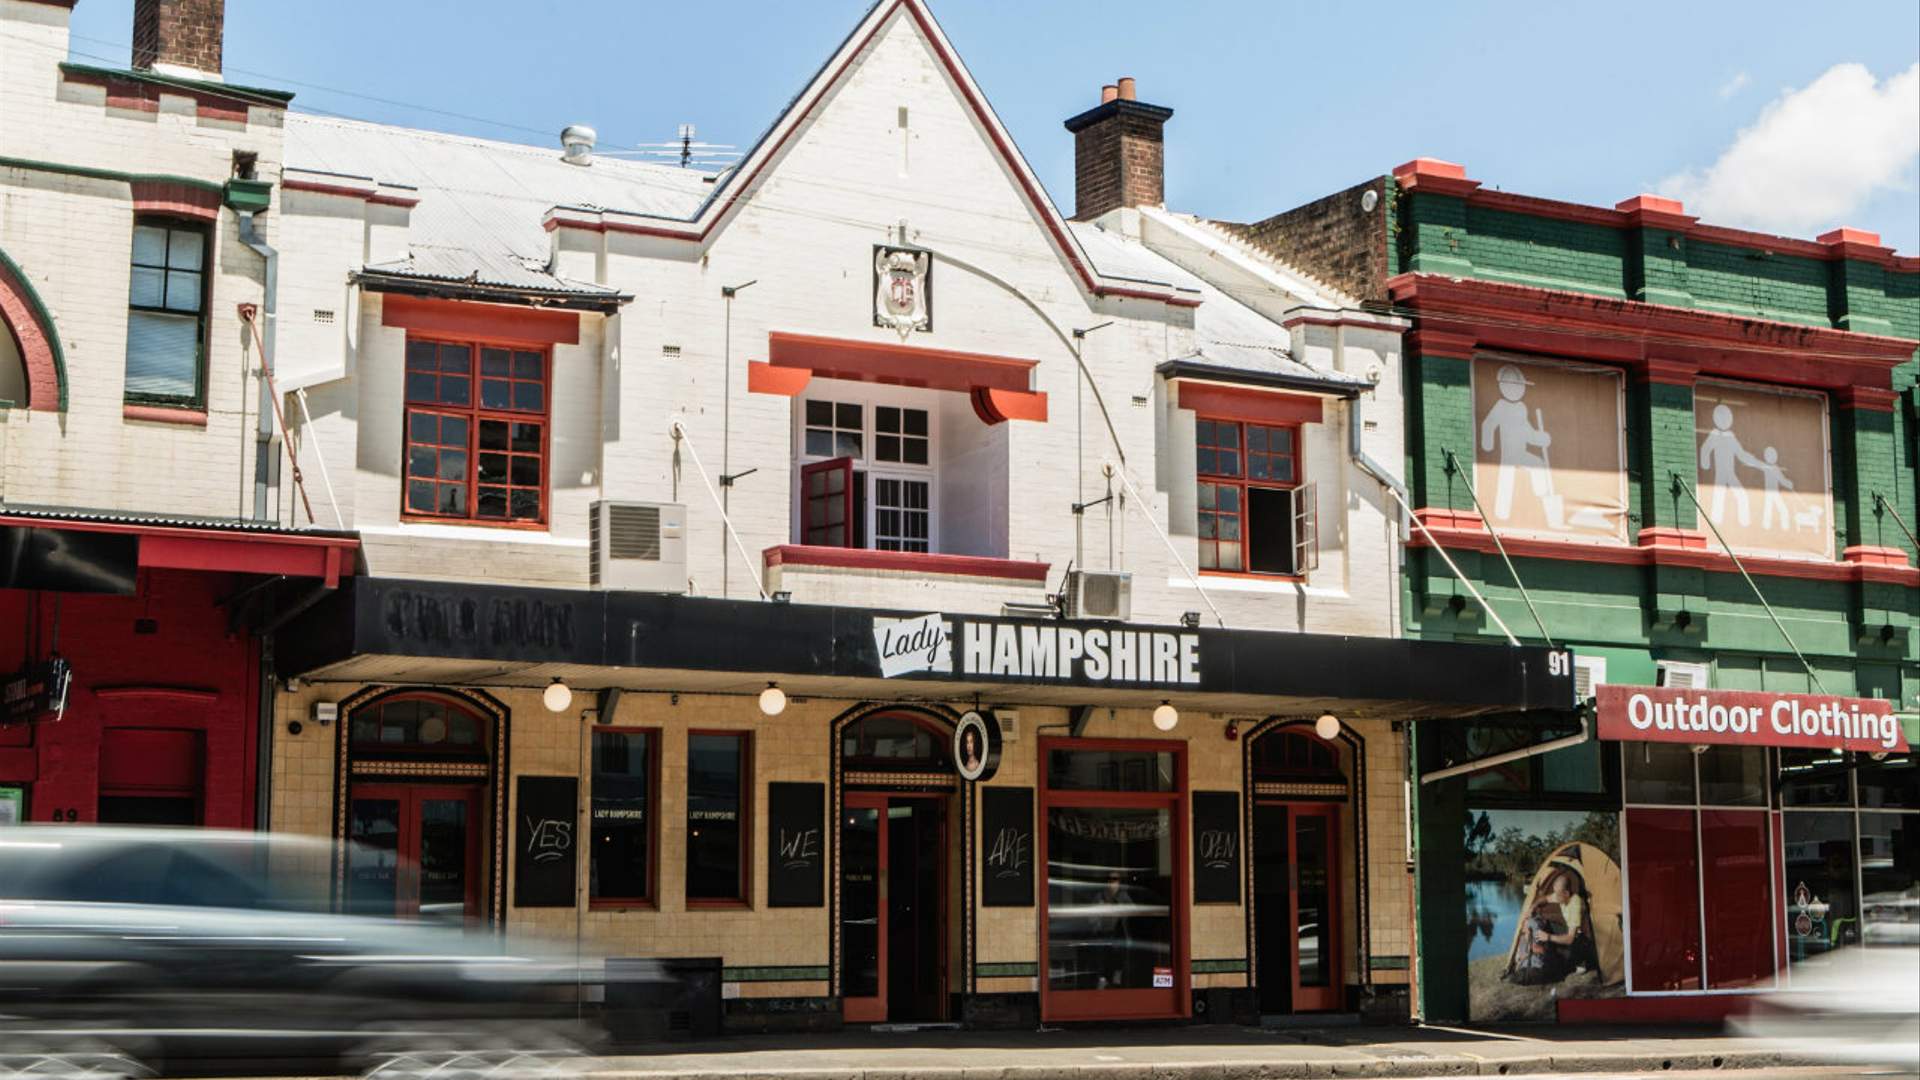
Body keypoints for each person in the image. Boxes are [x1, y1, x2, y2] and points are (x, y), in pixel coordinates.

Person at [1480, 365, 1561, 528]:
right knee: (1506, 479)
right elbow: (1488, 424)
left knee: (1538, 464)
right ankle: (1501, 513)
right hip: (1508, 454)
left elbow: (1527, 431)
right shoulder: (1501, 405)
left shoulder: (1521, 408)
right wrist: (1488, 444)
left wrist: (1540, 439)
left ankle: (1542, 495)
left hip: (1521, 452)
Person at [1699, 403, 1768, 528]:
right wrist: (1705, 463)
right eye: (1722, 418)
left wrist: (1759, 464)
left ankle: (1744, 522)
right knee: (1719, 496)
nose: (1725, 421)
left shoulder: (1730, 436)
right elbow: (1705, 449)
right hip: (1721, 473)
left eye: (1727, 418)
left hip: (1730, 473)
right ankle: (1716, 522)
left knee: (1741, 495)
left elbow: (1741, 455)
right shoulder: (1715, 434)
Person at [1758, 446, 1795, 531]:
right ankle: (1783, 527)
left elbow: (1781, 479)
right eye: (1770, 456)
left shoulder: (1772, 468)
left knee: (1770, 509)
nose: (1773, 458)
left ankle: (1767, 526)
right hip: (1772, 492)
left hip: (1772, 492)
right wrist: (1788, 484)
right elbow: (1781, 480)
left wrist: (1788, 483)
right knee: (1781, 510)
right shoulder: (1772, 468)